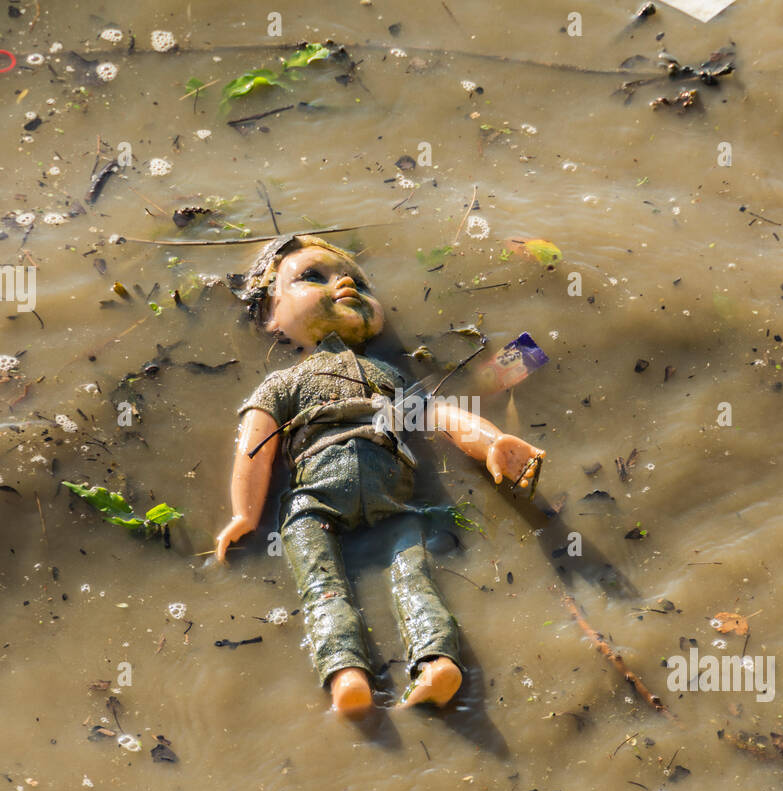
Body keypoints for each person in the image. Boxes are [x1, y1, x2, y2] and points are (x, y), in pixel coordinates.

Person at [214, 234, 545, 715]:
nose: (345, 281)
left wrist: (493, 444)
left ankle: (437, 663)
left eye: (359, 281)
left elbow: (444, 417)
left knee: (413, 574)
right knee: (323, 586)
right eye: (312, 276)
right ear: (270, 315)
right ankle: (347, 672)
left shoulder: (391, 378)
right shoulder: (286, 381)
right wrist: (244, 515)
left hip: (395, 494)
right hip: (315, 498)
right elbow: (256, 443)